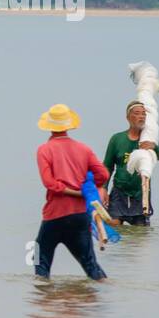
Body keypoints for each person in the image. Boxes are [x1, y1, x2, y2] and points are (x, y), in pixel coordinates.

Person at [34, 103, 109, 280]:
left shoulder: (44, 150)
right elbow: (103, 174)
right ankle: (105, 297)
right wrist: (84, 190)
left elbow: (49, 183)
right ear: (68, 125)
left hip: (55, 215)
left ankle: (40, 298)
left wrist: (69, 190)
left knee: (40, 257)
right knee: (90, 264)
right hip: (79, 215)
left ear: (49, 126)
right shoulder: (84, 148)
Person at [103, 101, 159, 226]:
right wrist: (103, 188)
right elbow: (107, 166)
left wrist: (154, 147)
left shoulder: (149, 138)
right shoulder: (117, 139)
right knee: (113, 224)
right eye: (137, 113)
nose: (141, 116)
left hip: (140, 192)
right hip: (119, 191)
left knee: (139, 232)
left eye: (143, 114)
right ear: (128, 117)